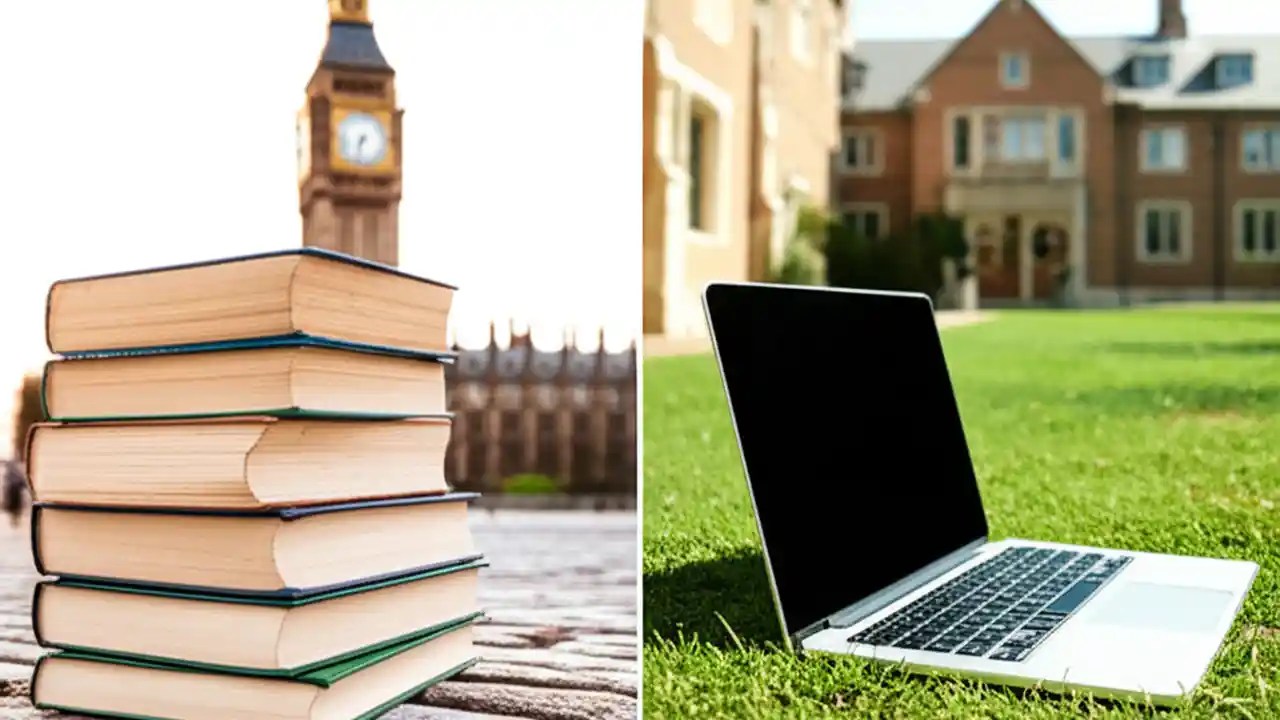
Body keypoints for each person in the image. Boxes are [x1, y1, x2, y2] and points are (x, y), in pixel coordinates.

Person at [2, 460, 26, 528]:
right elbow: (22, 481)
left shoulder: (9, 472)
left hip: (14, 492)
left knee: (15, 507)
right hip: (14, 492)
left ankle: (15, 517)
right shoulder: (14, 471)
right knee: (15, 507)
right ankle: (15, 516)